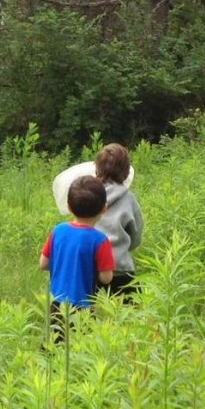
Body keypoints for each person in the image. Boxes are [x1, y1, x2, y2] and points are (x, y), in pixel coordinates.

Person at [40, 176, 115, 344]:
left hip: (56, 302)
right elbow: (106, 278)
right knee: (80, 348)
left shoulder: (57, 231)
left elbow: (43, 263)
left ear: (68, 207)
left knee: (53, 345)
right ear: (104, 209)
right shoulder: (100, 241)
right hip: (83, 307)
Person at [93, 144, 144, 300]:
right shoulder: (129, 200)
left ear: (97, 168)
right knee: (133, 314)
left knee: (84, 314)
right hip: (120, 265)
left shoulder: (89, 195)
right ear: (126, 171)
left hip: (91, 265)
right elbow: (136, 237)